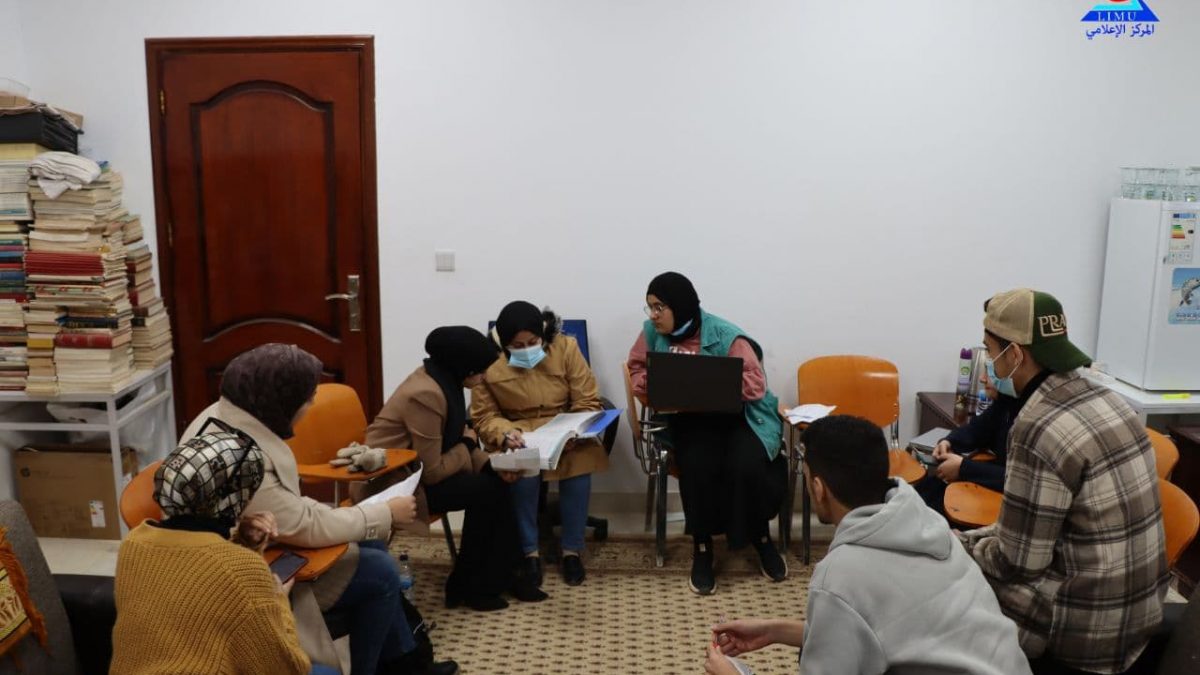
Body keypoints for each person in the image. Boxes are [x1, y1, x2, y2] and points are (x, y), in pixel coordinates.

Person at [179, 343, 458, 675]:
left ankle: (405, 662)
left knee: (367, 543)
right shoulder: (239, 457)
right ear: (280, 401)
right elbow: (300, 526)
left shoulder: (226, 413)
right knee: (380, 572)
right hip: (251, 573)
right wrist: (384, 513)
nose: (311, 404)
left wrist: (366, 518)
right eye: (307, 397)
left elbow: (285, 508)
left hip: (255, 543)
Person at [703, 415, 1031, 675]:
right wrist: (775, 630)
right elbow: (886, 628)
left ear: (818, 489)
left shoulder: (841, 575)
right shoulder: (930, 525)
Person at [958, 289, 1168, 674]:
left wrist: (961, 546)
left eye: (990, 350)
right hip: (1140, 610)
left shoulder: (1038, 426)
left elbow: (1018, 562)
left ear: (1016, 354)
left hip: (1087, 632)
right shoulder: (1109, 399)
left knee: (951, 588)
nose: (989, 362)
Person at [111, 419, 335, 674]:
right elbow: (288, 667)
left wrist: (242, 542)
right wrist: (279, 600)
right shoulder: (240, 570)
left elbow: (197, 582)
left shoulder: (133, 544)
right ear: (236, 499)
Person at [626, 271, 787, 595]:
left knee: (747, 464)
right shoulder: (650, 333)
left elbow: (756, 384)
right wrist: (656, 382)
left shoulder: (727, 335)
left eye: (660, 308)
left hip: (739, 418)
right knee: (698, 466)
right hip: (690, 421)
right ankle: (702, 546)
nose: (653, 316)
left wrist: (710, 381)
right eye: (650, 308)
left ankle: (760, 536)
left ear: (680, 306)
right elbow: (636, 368)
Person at [365, 326, 547, 610]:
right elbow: (434, 469)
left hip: (421, 472)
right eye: (480, 370)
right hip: (397, 482)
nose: (485, 376)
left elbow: (460, 443)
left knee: (497, 483)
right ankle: (474, 584)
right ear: (464, 366)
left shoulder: (445, 381)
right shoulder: (425, 394)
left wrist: (491, 464)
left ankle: (492, 577)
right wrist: (467, 443)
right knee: (486, 491)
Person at [470, 301, 606, 588]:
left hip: (563, 429)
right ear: (504, 344)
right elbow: (484, 415)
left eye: (533, 342)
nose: (527, 350)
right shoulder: (486, 358)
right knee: (521, 472)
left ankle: (572, 550)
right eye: (517, 346)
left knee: (578, 469)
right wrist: (506, 434)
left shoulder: (566, 347)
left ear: (544, 334)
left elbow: (586, 399)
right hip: (517, 432)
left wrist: (571, 431)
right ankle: (528, 552)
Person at [915, 373, 1016, 514]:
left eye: (990, 372)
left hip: (1005, 500)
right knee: (925, 490)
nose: (982, 378)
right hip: (986, 480)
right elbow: (976, 429)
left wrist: (963, 468)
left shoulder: (1030, 416)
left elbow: (1017, 481)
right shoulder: (1006, 403)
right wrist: (948, 442)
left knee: (932, 508)